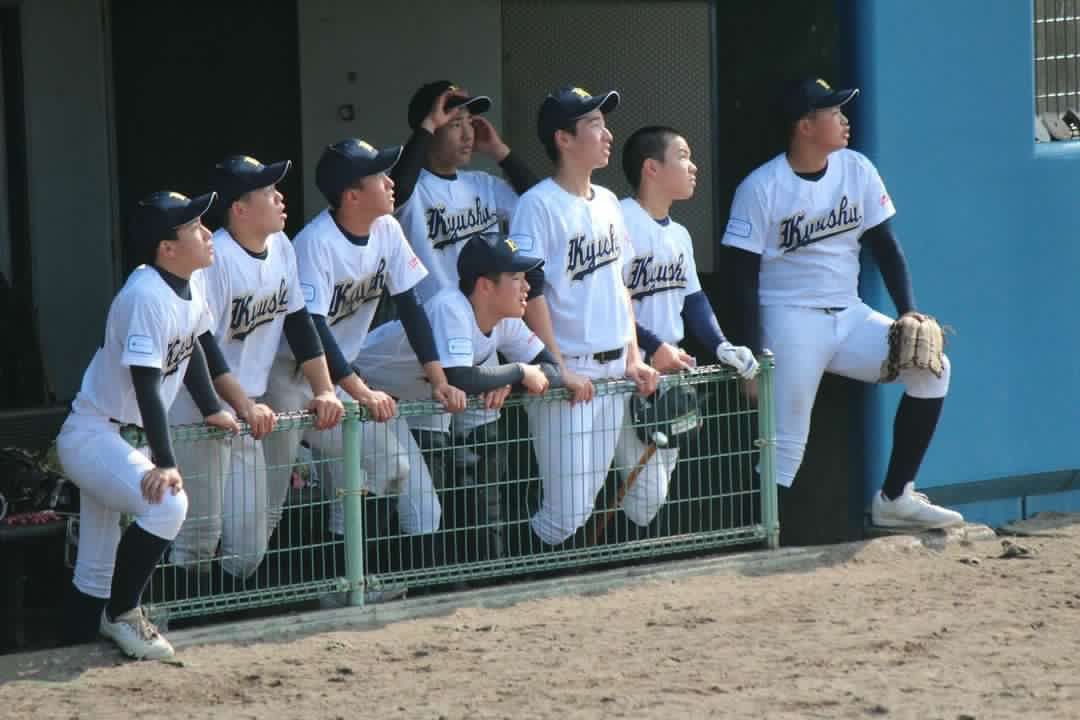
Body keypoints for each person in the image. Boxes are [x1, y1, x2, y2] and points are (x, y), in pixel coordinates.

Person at [721, 77, 963, 529]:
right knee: (788, 443)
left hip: (848, 314)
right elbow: (739, 279)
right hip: (788, 318)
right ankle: (758, 541)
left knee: (932, 370)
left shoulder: (856, 169)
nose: (844, 118)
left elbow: (886, 246)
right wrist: (752, 352)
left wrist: (907, 309)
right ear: (805, 126)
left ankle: (894, 498)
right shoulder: (761, 187)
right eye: (833, 112)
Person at [261, 138, 466, 565]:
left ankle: (344, 580)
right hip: (287, 379)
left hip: (338, 379)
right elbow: (313, 327)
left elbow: (411, 307)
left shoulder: (387, 229)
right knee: (264, 511)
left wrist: (440, 379)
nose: (391, 182)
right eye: (378, 176)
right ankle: (229, 599)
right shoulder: (314, 241)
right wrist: (360, 389)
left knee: (391, 468)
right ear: (352, 195)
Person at [56, 191, 240, 659]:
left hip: (116, 435)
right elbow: (146, 384)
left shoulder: (188, 283)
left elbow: (194, 344)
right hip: (95, 433)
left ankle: (73, 647)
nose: (205, 231)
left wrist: (212, 405)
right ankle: (125, 615)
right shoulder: (144, 295)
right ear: (167, 248)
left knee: (95, 570)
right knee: (168, 504)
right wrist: (166, 462)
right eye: (193, 227)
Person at [168, 155, 344, 587]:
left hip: (246, 411)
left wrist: (325, 390)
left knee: (249, 544)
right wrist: (241, 404)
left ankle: (221, 612)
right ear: (239, 209)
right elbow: (200, 348)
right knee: (197, 537)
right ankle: (180, 616)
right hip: (198, 408)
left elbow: (301, 324)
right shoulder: (216, 261)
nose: (280, 196)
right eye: (267, 191)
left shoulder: (282, 247)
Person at [508, 86, 666, 548]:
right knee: (568, 509)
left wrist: (635, 357)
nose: (606, 133)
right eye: (594, 124)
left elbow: (622, 286)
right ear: (563, 138)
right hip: (571, 372)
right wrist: (557, 366)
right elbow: (528, 291)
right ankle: (510, 578)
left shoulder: (610, 202)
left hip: (615, 370)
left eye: (603, 122)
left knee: (596, 501)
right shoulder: (537, 205)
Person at [355, 233, 561, 562]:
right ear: (485, 286)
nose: (528, 288)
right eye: (517, 278)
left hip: (402, 401)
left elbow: (551, 369)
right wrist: (518, 372)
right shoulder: (451, 306)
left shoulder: (505, 319)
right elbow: (460, 378)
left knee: (422, 510)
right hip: (361, 393)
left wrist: (509, 381)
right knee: (392, 502)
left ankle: (408, 588)